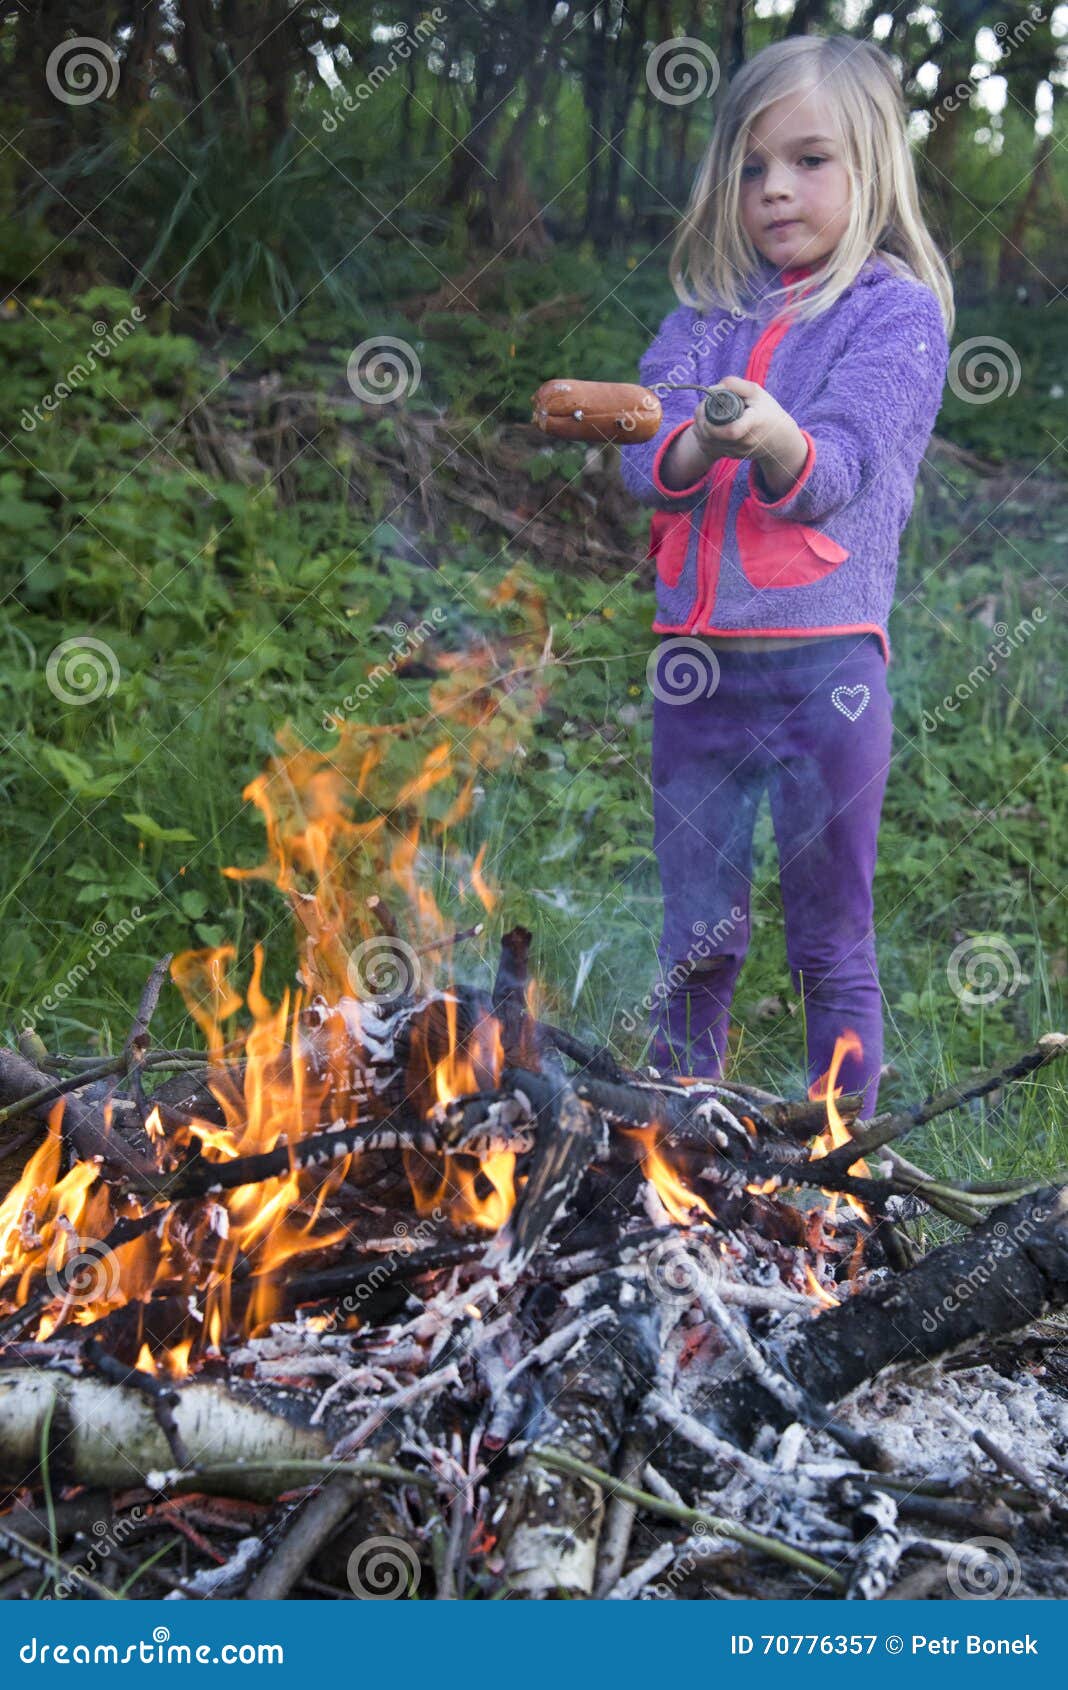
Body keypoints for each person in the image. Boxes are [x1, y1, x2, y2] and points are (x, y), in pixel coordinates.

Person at [619, 34, 953, 1117]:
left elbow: (841, 468)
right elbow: (644, 454)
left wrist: (767, 434)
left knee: (829, 935)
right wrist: (699, 437)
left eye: (809, 161)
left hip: (827, 674)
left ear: (870, 168)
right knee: (697, 932)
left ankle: (843, 1154)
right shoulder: (703, 316)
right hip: (697, 673)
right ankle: (677, 1137)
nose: (775, 190)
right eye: (754, 165)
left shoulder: (895, 315)